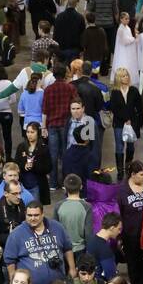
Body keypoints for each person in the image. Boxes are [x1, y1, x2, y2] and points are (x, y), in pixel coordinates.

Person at [4, 199, 75, 284]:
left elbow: (68, 248)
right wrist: (13, 281)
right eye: (29, 215)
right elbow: (10, 260)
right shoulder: (16, 234)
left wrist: (72, 269)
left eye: (36, 215)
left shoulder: (57, 227)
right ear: (25, 215)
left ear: (42, 214)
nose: (33, 218)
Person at [41, 63, 78, 192]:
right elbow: (75, 104)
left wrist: (43, 127)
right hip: (66, 125)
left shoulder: (48, 89)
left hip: (52, 125)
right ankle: (64, 182)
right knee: (65, 154)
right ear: (65, 74)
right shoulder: (70, 88)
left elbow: (44, 110)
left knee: (53, 154)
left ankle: (52, 183)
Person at [54, 174, 92, 254]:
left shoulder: (58, 205)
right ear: (81, 187)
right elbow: (88, 233)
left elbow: (55, 229)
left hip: (63, 249)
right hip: (80, 249)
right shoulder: (87, 206)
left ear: (65, 188)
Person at [86, 211, 123, 283]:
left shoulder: (92, 240)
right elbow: (111, 276)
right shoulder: (105, 249)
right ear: (112, 228)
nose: (119, 232)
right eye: (119, 229)